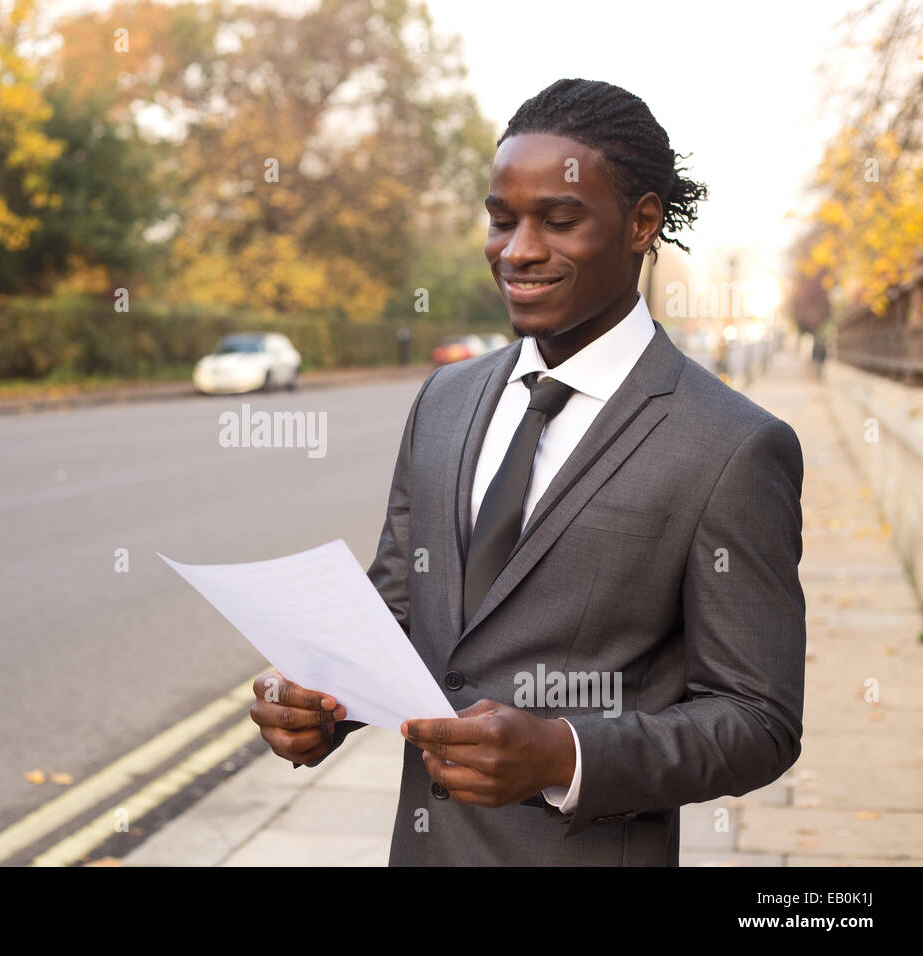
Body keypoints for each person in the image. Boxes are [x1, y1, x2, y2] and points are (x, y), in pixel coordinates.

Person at [249, 78, 805, 866]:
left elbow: (759, 720)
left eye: (560, 220)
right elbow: (402, 615)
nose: (518, 250)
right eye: (502, 220)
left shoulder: (733, 445)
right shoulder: (445, 399)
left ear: (642, 222)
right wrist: (317, 703)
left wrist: (565, 755)